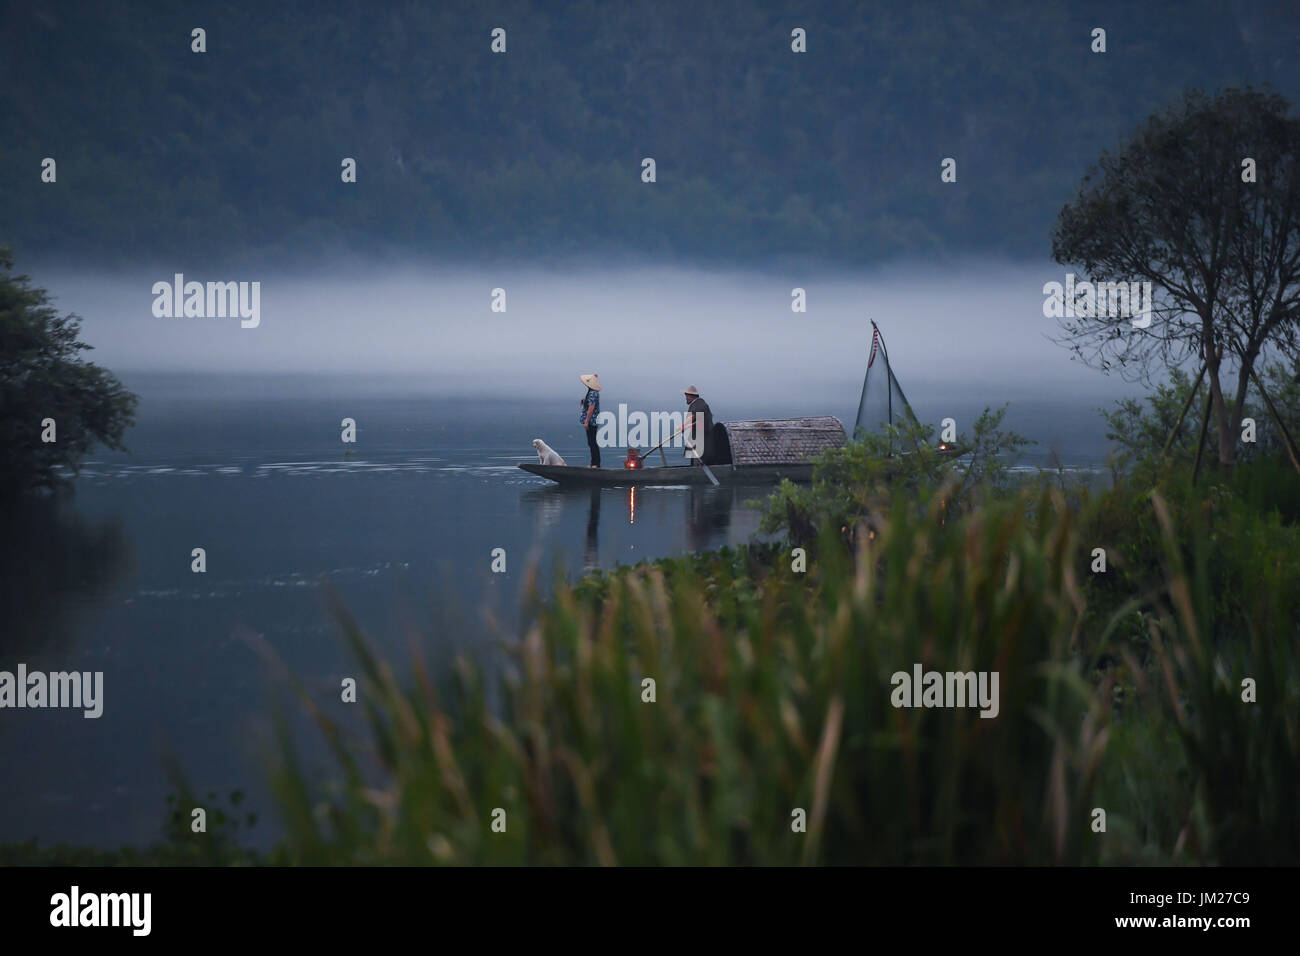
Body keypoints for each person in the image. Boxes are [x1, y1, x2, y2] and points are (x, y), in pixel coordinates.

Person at [682, 385, 713, 465]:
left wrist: (683, 426)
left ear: (691, 396)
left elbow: (694, 415)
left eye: (687, 396)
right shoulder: (698, 404)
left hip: (701, 441)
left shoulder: (699, 404)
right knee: (695, 462)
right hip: (697, 440)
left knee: (698, 463)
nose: (686, 398)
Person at [579, 373, 602, 468]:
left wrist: (587, 421)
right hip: (592, 421)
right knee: (591, 442)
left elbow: (591, 408)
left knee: (592, 442)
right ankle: (594, 463)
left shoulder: (592, 393)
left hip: (591, 421)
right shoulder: (592, 393)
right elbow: (590, 405)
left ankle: (595, 463)